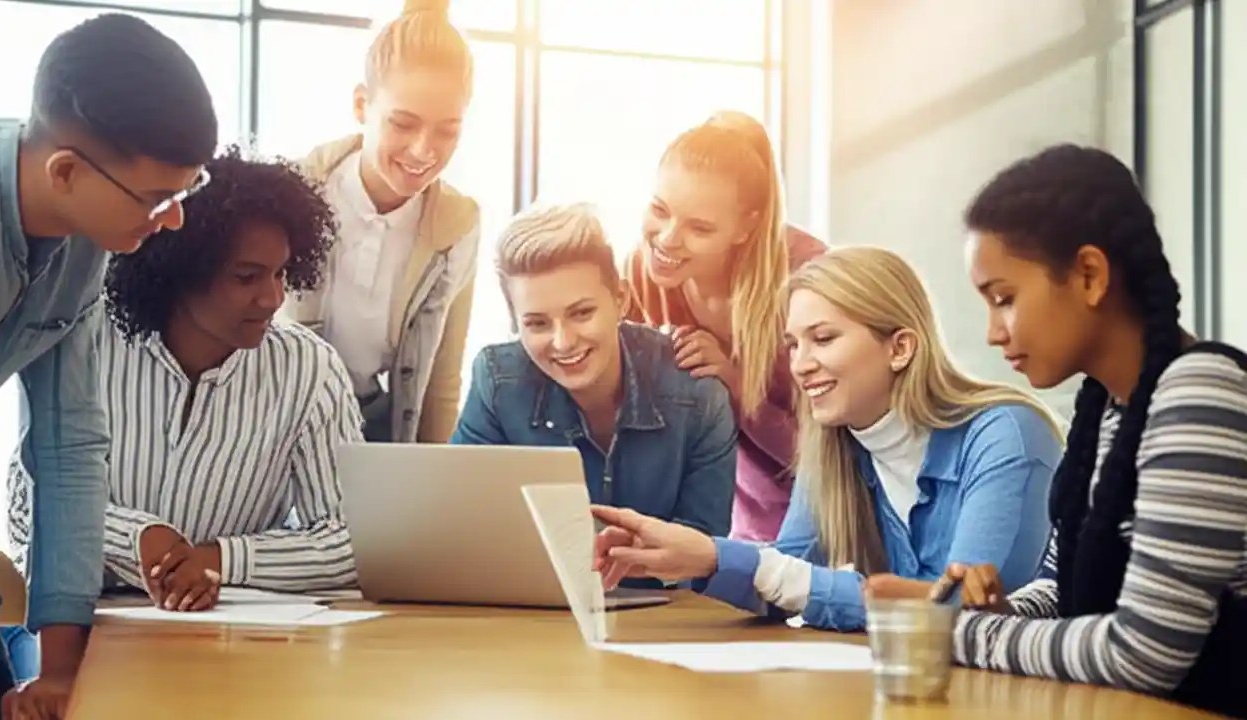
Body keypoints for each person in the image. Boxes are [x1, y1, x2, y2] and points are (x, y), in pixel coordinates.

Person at [896, 145, 1247, 717]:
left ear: (1089, 275)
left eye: (1004, 299)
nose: (992, 332)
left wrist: (955, 634)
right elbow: (1065, 591)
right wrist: (997, 614)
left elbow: (1143, 652)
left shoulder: (1202, 391)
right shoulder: (1104, 412)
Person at [4, 147, 362, 682]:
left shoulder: (308, 368)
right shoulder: (85, 338)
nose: (272, 298)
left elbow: (351, 540)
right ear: (179, 269)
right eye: (247, 276)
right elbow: (24, 509)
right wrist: (139, 540)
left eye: (281, 273)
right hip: (78, 626)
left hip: (228, 636)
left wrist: (218, 558)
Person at [592, 247, 1063, 630]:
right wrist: (692, 559)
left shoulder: (1007, 436)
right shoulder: (836, 450)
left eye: (823, 338)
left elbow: (961, 613)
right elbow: (782, 581)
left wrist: (726, 559)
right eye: (793, 344)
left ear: (900, 347)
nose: (799, 364)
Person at [0, 14, 216, 719]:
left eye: (183, 193)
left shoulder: (85, 243)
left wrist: (61, 676)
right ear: (66, 171)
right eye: (155, 198)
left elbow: (69, 442)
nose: (172, 220)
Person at [452, 203, 737, 538]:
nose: (563, 342)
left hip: (666, 591)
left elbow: (706, 554)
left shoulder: (697, 394)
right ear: (516, 323)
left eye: (582, 313)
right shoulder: (497, 382)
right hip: (534, 590)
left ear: (621, 299)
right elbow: (464, 526)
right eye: (537, 323)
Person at [282, 0, 480, 445]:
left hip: (372, 430)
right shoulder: (295, 191)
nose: (423, 150)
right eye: (403, 124)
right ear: (361, 104)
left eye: (447, 131)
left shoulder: (458, 226)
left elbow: (442, 381)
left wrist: (427, 493)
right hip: (271, 418)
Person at [623, 110, 826, 542]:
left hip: (826, 514)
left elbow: (836, 457)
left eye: (699, 227)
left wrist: (735, 384)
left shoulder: (809, 280)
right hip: (728, 520)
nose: (668, 239)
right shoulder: (644, 270)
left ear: (745, 226)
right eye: (660, 209)